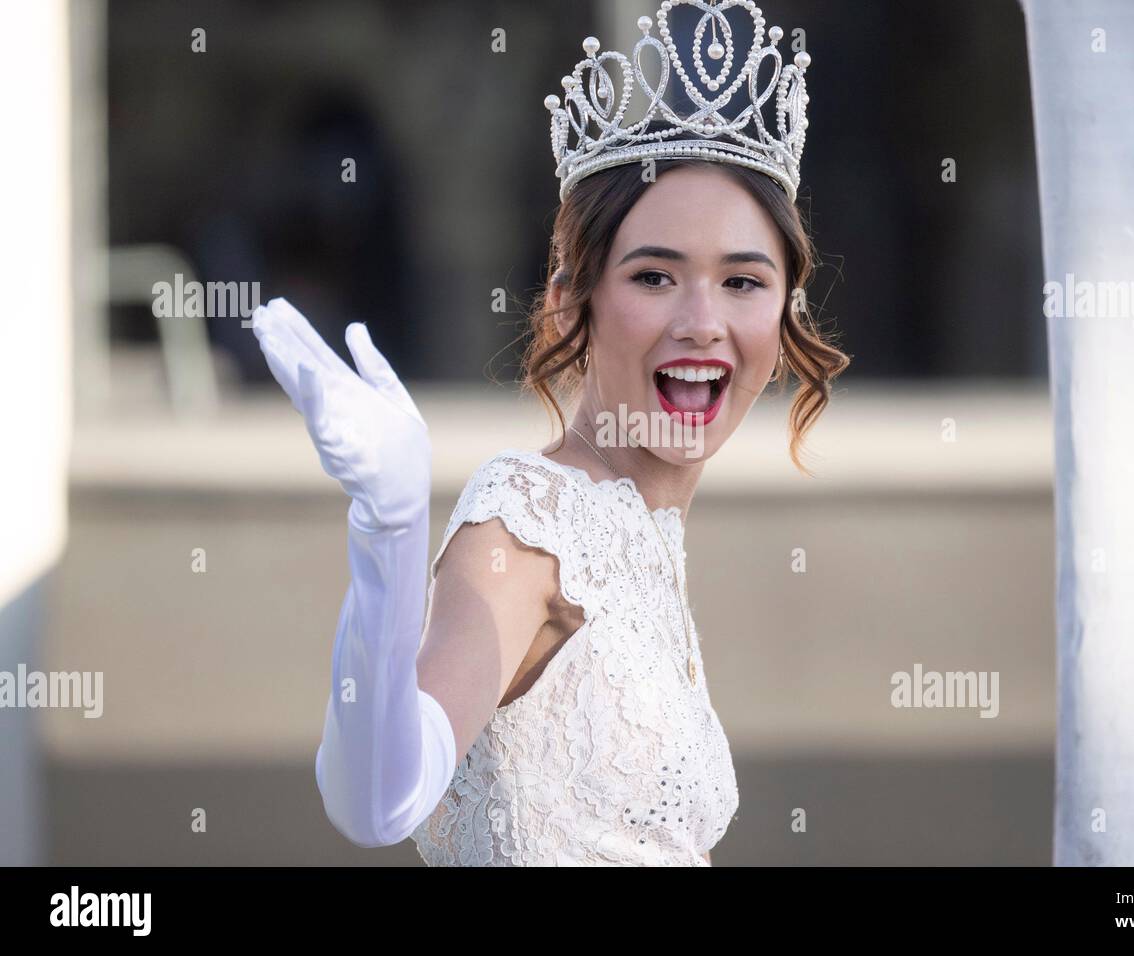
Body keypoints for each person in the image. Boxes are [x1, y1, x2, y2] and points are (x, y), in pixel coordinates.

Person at [250, 0, 847, 865]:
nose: (702, 322)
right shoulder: (527, 526)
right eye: (654, 276)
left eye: (743, 283)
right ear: (574, 298)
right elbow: (379, 799)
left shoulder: (646, 533)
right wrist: (387, 530)